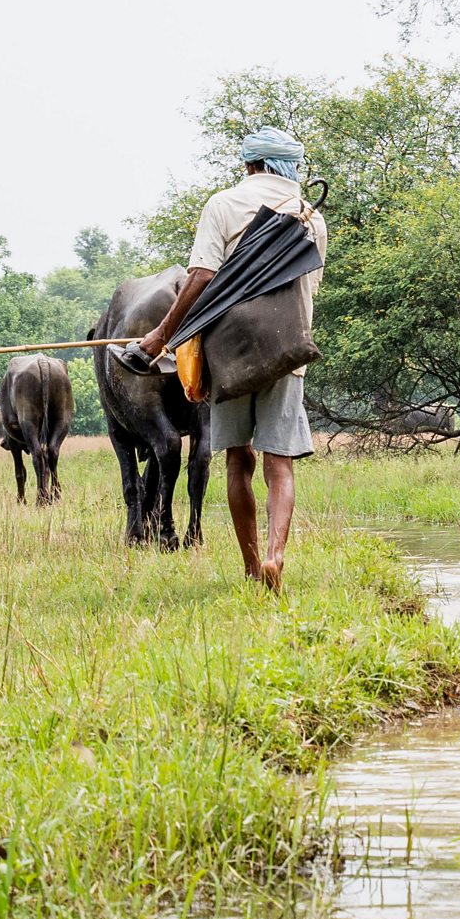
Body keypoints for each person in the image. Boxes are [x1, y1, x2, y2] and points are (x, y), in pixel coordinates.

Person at [137, 127, 327, 591]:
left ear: (250, 165)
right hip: (286, 352)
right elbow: (309, 289)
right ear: (290, 168)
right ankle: (275, 556)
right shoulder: (310, 218)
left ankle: (249, 565)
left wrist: (163, 335)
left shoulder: (223, 204)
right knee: (279, 462)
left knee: (237, 460)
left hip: (230, 353)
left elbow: (201, 275)